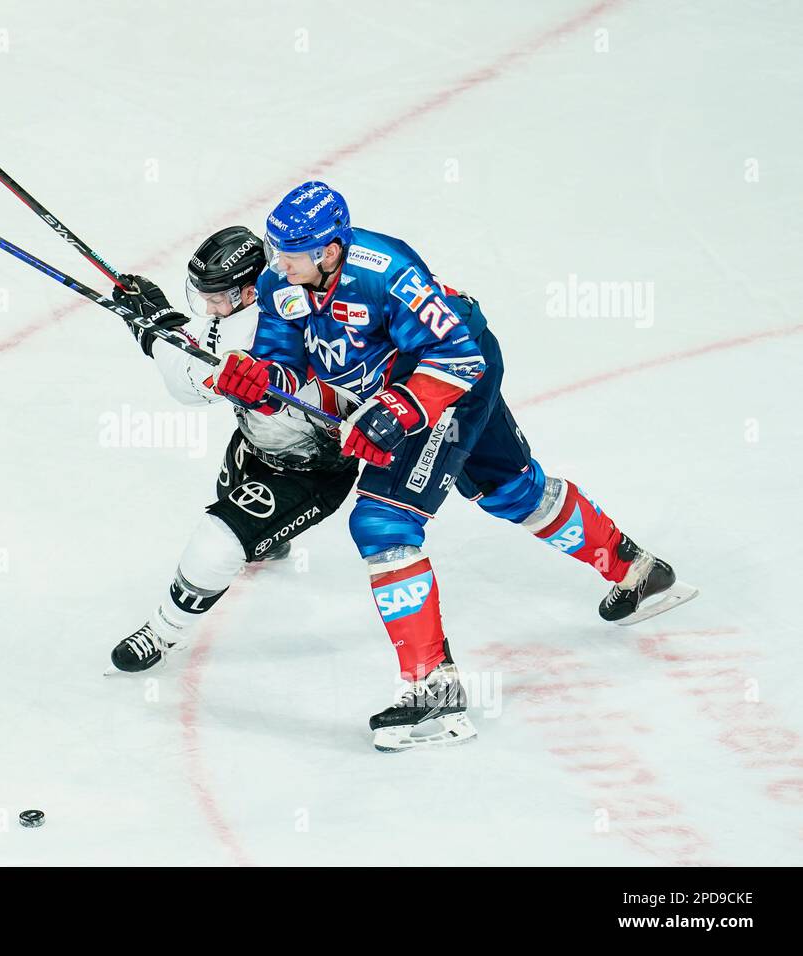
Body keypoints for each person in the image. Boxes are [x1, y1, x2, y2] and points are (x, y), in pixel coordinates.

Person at [208, 181, 696, 752]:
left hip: (446, 381)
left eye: (290, 251)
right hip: (402, 387)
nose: (277, 261)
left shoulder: (385, 269)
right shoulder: (280, 283)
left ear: (330, 250)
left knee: (383, 523)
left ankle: (433, 695)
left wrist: (400, 407)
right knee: (510, 490)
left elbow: (458, 355)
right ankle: (640, 574)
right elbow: (289, 371)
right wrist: (260, 382)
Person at [106, 226, 360, 673]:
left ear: (248, 292)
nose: (208, 307)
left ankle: (164, 631)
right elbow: (199, 341)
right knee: (241, 516)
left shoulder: (264, 333)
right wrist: (157, 321)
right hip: (255, 444)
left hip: (313, 470)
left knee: (216, 544)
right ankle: (271, 541)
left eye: (217, 297)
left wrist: (152, 327)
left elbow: (189, 382)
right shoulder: (257, 307)